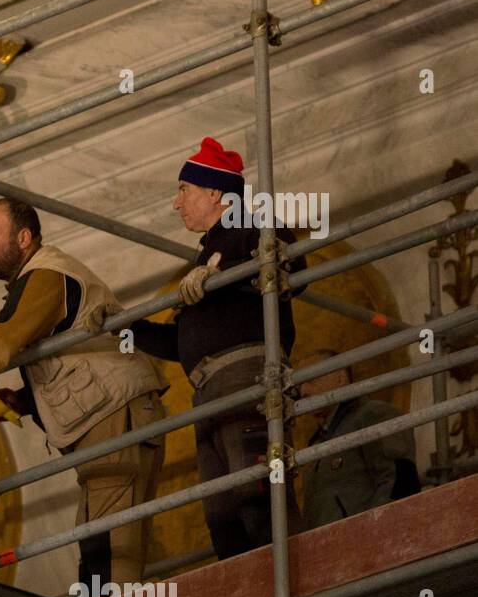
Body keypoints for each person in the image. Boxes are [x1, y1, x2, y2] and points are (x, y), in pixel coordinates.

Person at [0, 198, 168, 589]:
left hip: (117, 418)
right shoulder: (44, 278)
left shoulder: (46, 277)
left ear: (23, 238)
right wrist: (22, 401)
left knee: (110, 550)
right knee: (98, 544)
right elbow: (70, 353)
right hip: (113, 416)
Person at [131, 136, 307, 559]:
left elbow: (292, 267)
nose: (177, 203)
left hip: (244, 379)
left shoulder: (249, 223)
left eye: (183, 190)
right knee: (222, 513)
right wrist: (127, 329)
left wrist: (221, 272)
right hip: (210, 389)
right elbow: (184, 342)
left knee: (256, 498)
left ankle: (298, 589)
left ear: (215, 192)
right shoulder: (210, 248)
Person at [297, 348, 420, 527]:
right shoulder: (315, 443)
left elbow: (400, 483)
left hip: (371, 543)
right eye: (300, 384)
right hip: (331, 549)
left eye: (311, 380)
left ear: (340, 378)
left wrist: (375, 534)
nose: (303, 391)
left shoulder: (374, 414)